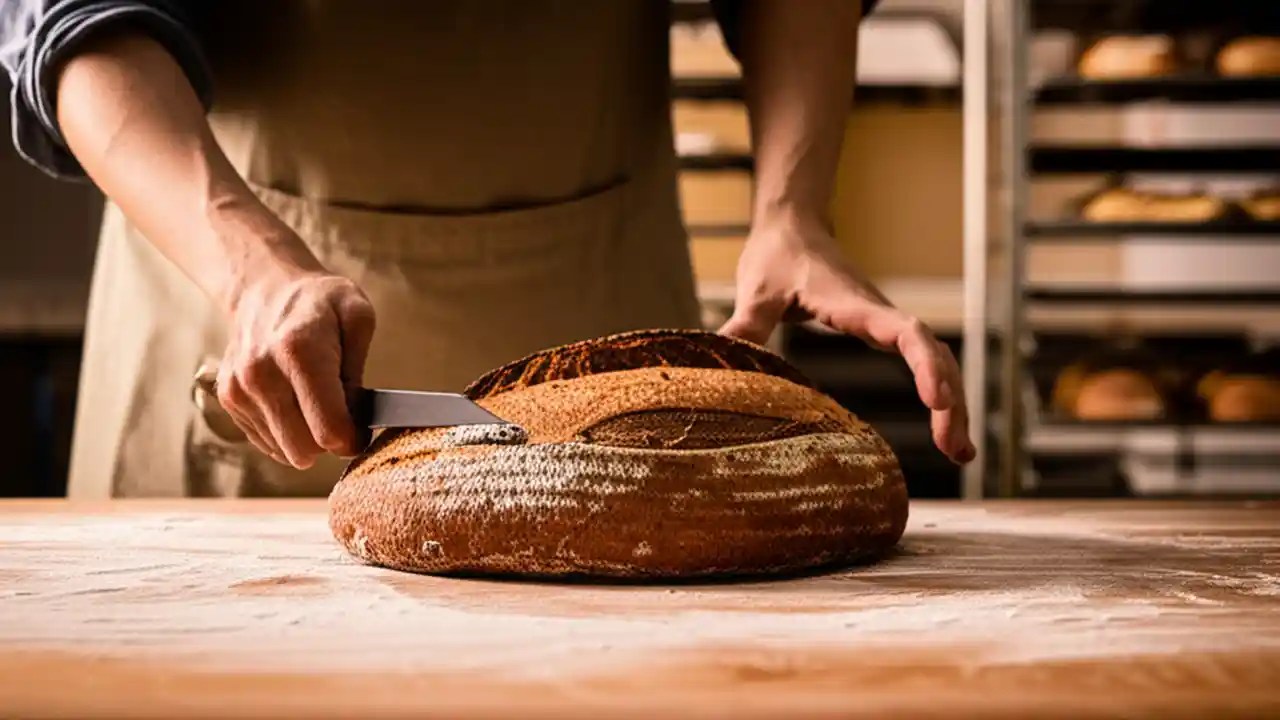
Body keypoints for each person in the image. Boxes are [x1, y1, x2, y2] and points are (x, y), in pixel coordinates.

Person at [2, 1, 974, 498]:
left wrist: (793, 210)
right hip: (232, 298)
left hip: (605, 312)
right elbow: (74, 18)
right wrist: (252, 270)